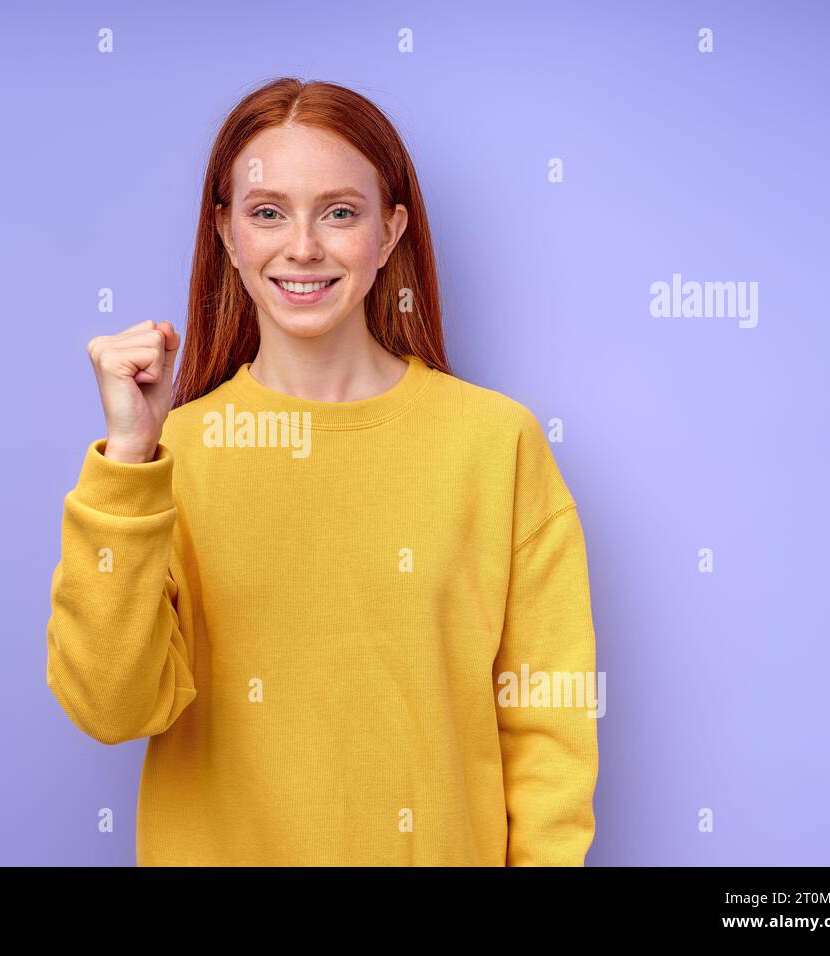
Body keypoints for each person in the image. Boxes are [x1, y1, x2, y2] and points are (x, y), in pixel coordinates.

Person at [45, 77, 599, 866]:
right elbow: (109, 706)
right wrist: (131, 458)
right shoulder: (169, 459)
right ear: (228, 232)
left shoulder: (495, 443)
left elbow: (548, 731)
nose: (302, 246)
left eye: (340, 212)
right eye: (268, 212)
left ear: (391, 230)